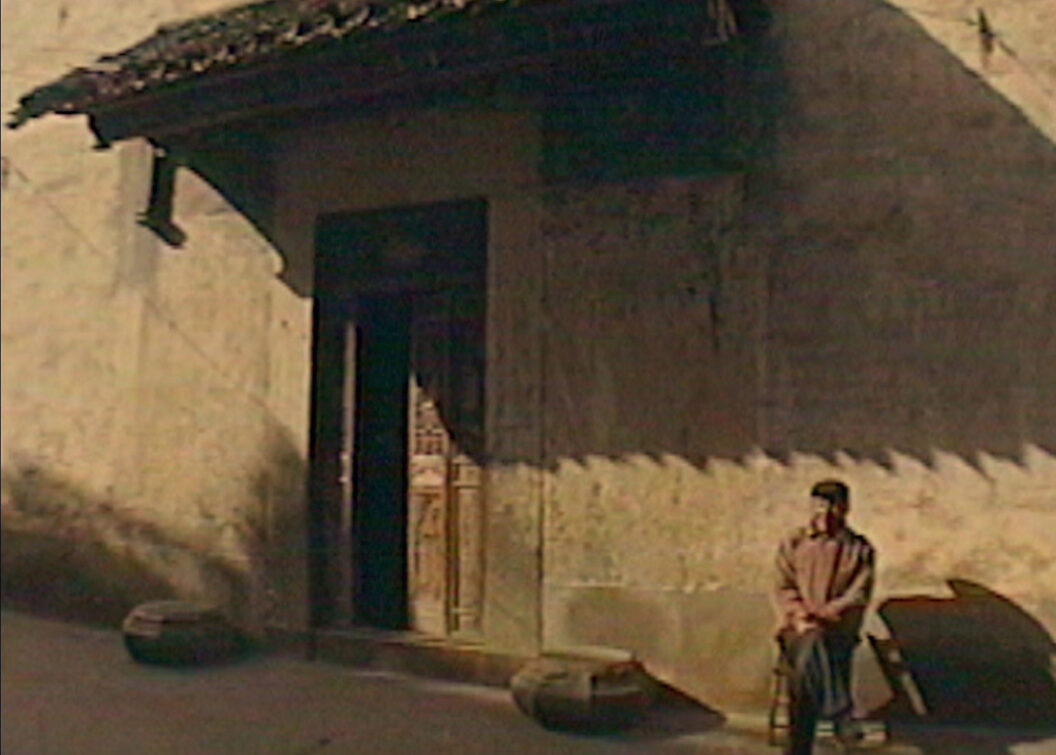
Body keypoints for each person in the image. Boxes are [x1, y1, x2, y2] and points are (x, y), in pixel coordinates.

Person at [773, 480, 875, 755]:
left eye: (833, 507)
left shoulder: (859, 549)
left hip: (836, 631)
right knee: (809, 644)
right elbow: (783, 586)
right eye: (819, 507)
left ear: (846, 509)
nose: (825, 514)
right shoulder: (794, 542)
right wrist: (799, 615)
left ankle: (798, 748)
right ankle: (841, 713)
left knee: (806, 667)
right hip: (795, 627)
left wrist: (823, 615)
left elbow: (858, 594)